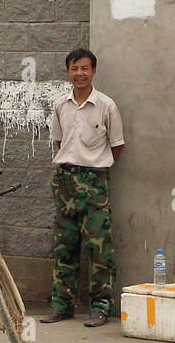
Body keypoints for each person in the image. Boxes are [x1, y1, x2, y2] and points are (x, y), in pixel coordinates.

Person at [39, 48, 125, 327]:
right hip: (65, 182)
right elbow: (58, 141)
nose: (80, 74)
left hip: (94, 182)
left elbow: (117, 146)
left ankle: (100, 307)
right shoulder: (60, 105)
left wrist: (94, 166)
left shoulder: (106, 106)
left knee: (99, 248)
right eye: (75, 68)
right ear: (68, 71)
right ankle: (62, 304)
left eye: (85, 68)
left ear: (94, 72)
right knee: (65, 246)